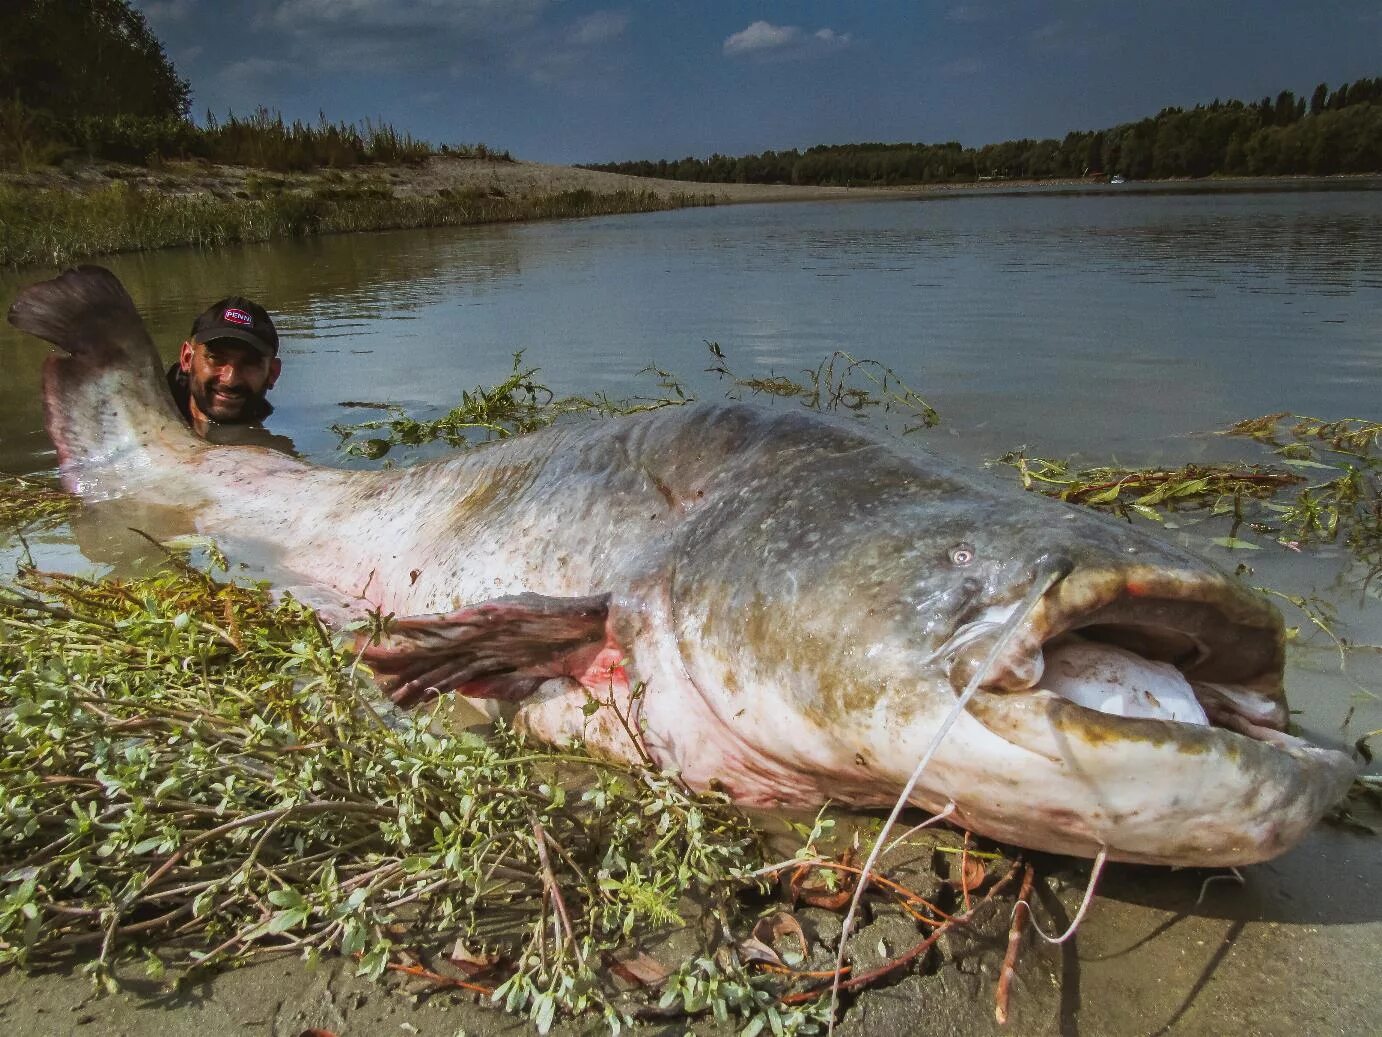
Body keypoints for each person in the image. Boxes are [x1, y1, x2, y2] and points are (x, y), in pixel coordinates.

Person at [167, 296, 282, 436]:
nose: (230, 380)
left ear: (272, 373)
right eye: (216, 358)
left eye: (249, 363)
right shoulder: (143, 412)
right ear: (187, 359)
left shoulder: (281, 428)